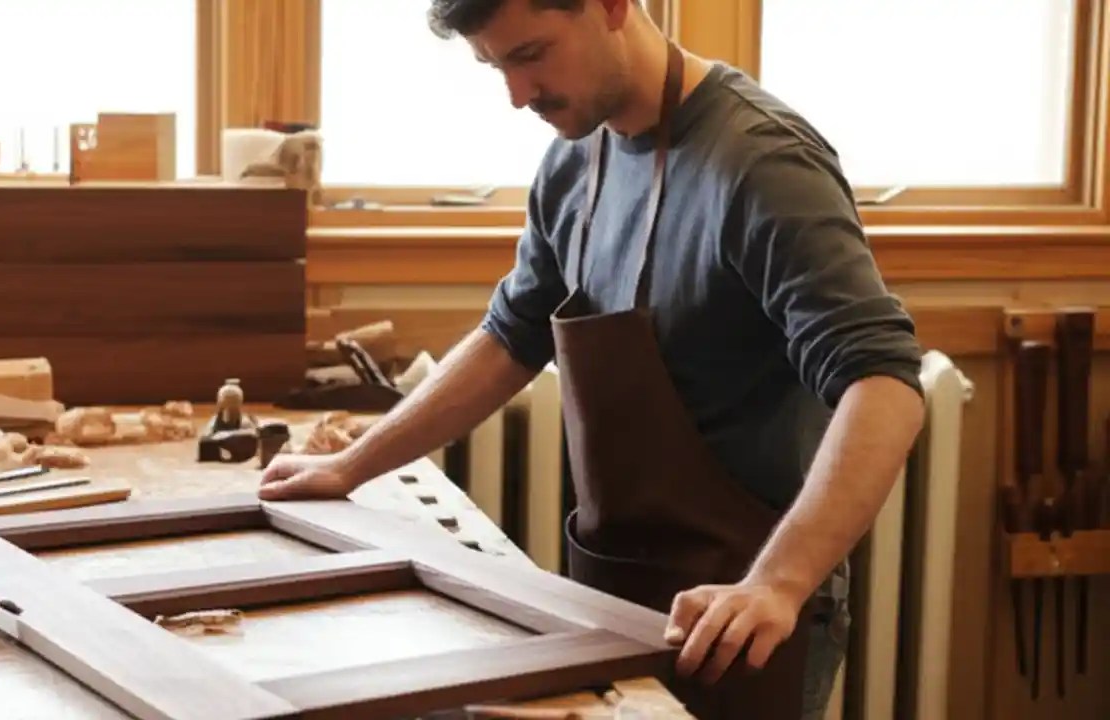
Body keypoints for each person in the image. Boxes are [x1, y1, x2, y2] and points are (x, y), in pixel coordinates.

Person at [259, 1, 927, 718]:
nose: (518, 95)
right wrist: (352, 464)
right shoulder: (576, 159)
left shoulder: (764, 163)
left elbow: (883, 382)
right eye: (496, 66)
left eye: (531, 55)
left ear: (612, 6)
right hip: (613, 587)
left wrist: (779, 583)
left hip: (742, 612)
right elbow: (510, 336)